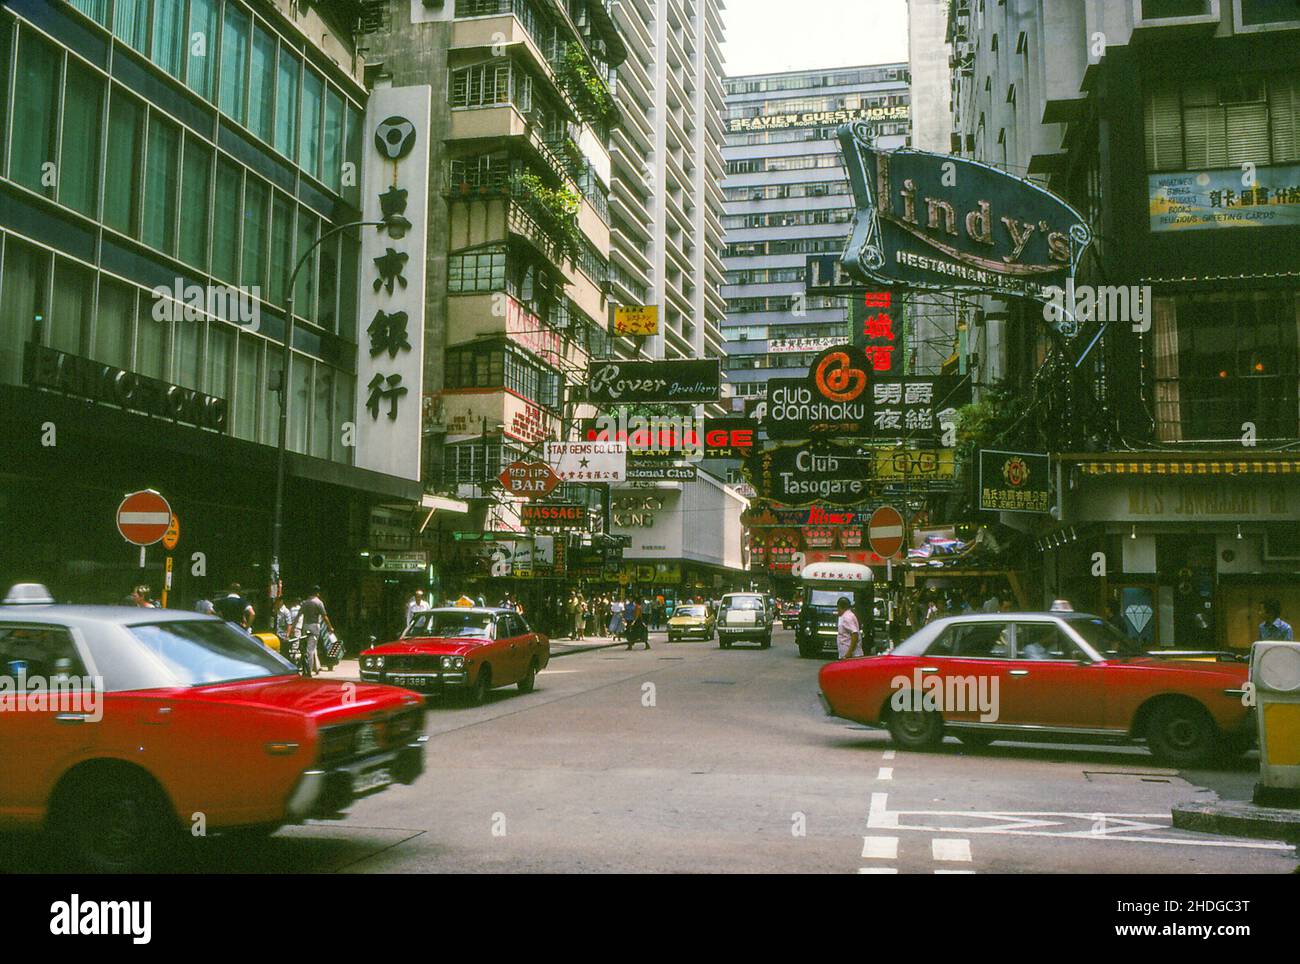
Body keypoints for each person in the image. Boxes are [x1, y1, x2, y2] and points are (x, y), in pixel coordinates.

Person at [297, 586, 332, 675]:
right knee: (311, 649)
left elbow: (298, 615)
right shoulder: (319, 602)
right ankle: (309, 670)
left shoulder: (305, 603)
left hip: (305, 626)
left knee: (309, 647)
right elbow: (324, 616)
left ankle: (316, 667)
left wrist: (293, 627)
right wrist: (330, 627)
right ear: (317, 593)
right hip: (314, 626)